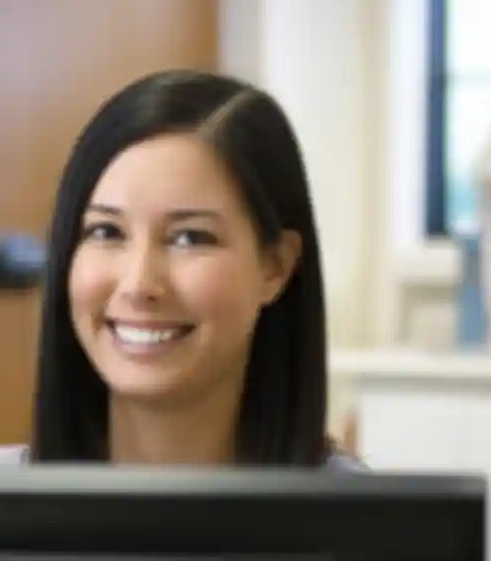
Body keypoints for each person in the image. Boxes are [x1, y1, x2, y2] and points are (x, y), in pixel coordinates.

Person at [30, 70, 356, 468]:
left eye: (189, 238)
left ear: (275, 266)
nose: (139, 284)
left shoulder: (366, 524)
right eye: (106, 231)